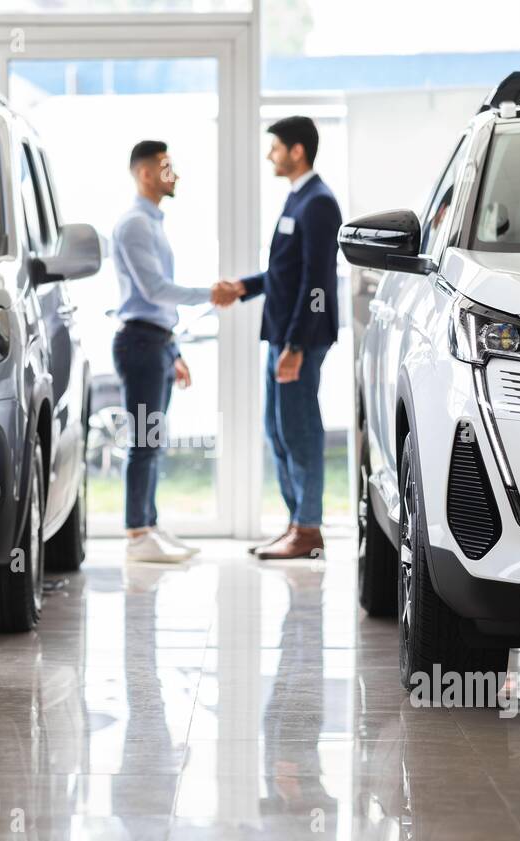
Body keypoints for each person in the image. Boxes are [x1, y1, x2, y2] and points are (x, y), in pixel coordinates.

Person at [217, 116, 342, 560]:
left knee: (300, 431)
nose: (269, 154)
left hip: (299, 340)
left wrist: (296, 345)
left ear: (296, 151)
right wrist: (244, 287)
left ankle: (308, 531)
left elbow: (316, 284)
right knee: (278, 429)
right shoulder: (299, 199)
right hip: (283, 336)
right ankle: (297, 524)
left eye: (274, 147)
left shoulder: (319, 203)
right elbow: (284, 272)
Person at [111, 140, 239, 563]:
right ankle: (136, 535)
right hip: (141, 343)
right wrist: (210, 293)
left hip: (157, 343)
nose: (174, 174)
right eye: (166, 167)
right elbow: (154, 291)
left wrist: (175, 350)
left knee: (153, 441)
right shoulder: (134, 225)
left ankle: (148, 525)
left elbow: (158, 303)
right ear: (145, 173)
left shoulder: (152, 223)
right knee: (144, 442)